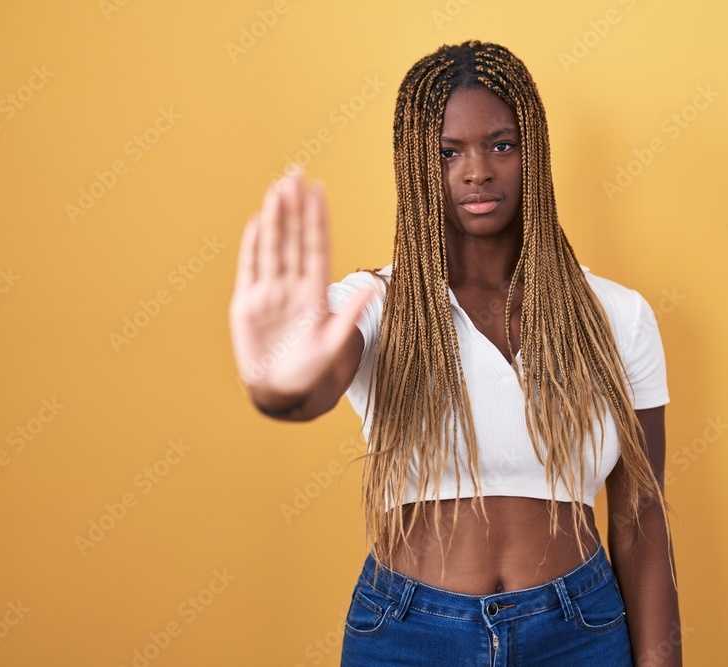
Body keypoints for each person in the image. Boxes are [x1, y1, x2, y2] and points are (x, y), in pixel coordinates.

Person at [229, 40, 682, 666]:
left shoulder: (616, 315)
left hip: (578, 632)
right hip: (410, 634)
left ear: (534, 153)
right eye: (448, 152)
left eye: (501, 144)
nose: (478, 171)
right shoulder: (376, 304)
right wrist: (277, 382)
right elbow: (306, 385)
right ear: (417, 165)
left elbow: (640, 519)